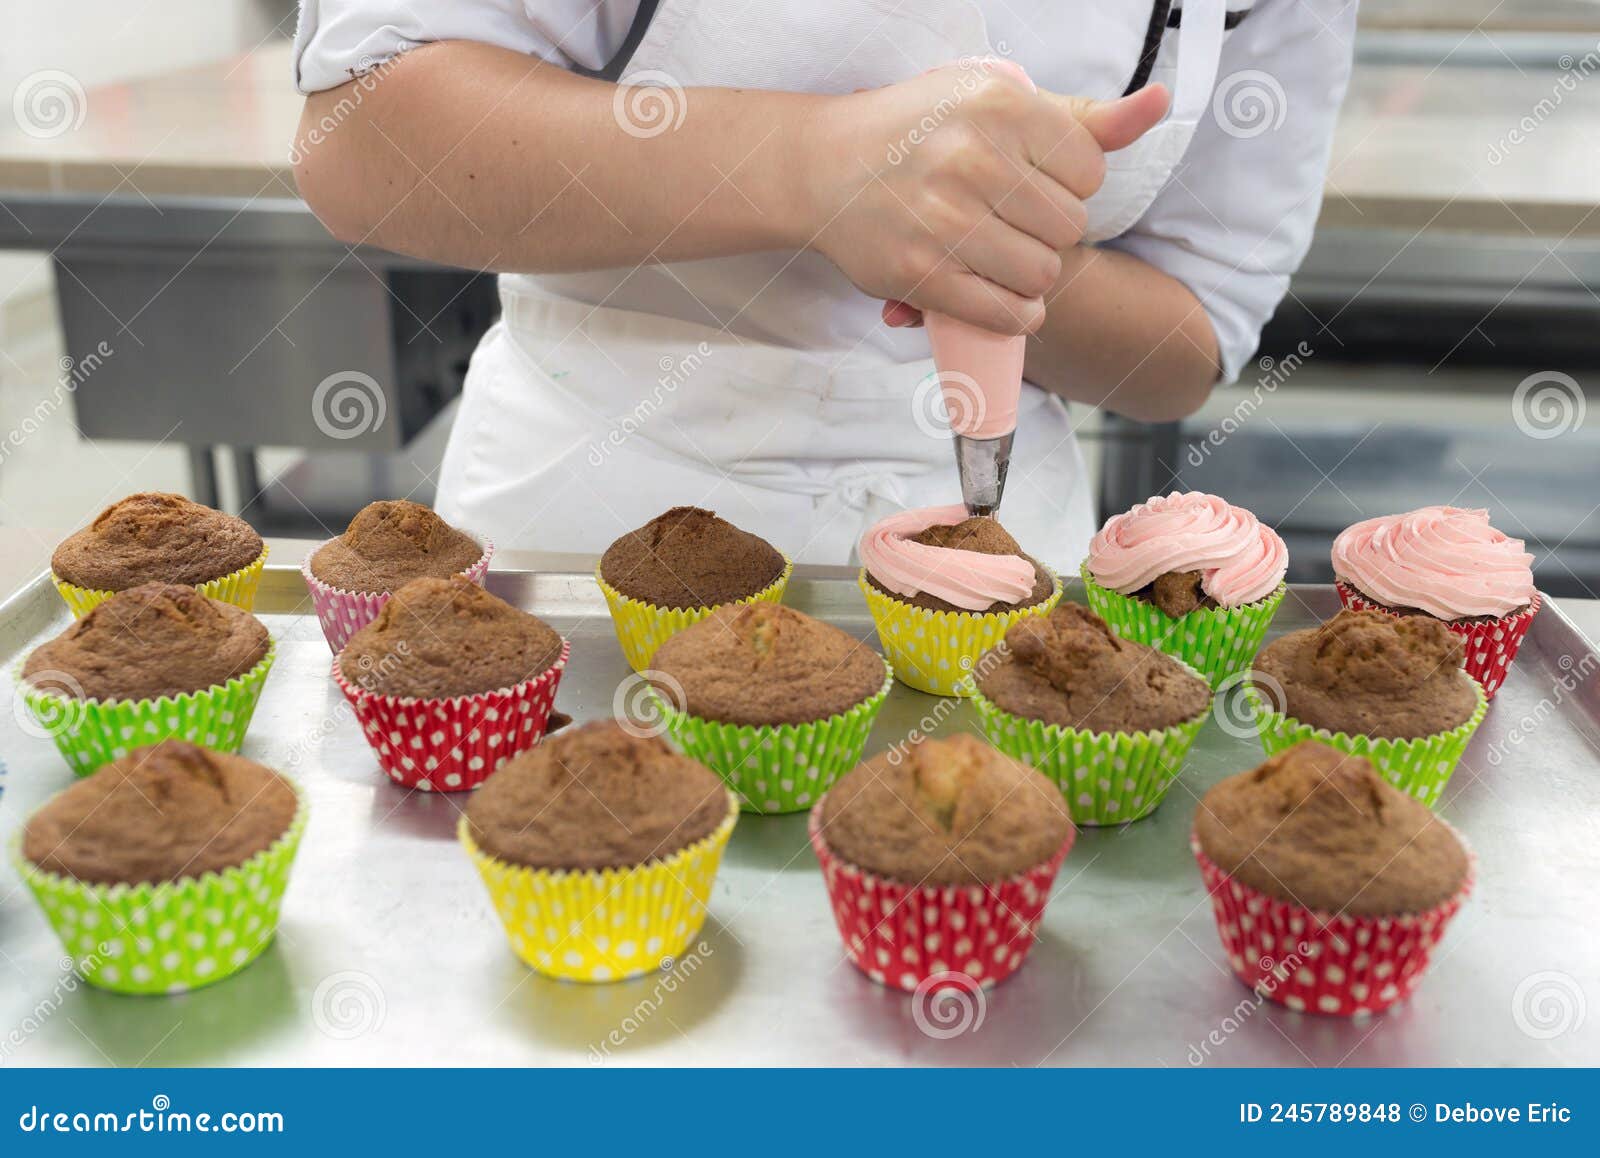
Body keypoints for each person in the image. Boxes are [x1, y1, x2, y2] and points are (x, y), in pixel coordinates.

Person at [292, 0, 1356, 566]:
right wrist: (814, 170)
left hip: (1004, 556)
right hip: (588, 538)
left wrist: (969, 236)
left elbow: (1191, 338)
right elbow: (362, 138)